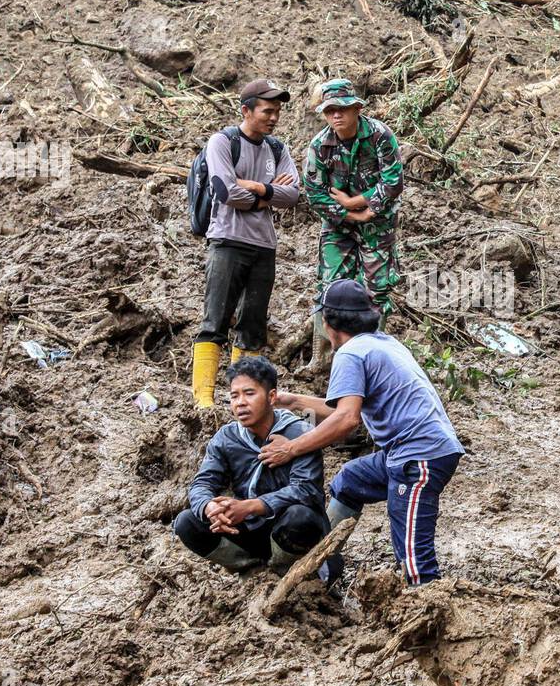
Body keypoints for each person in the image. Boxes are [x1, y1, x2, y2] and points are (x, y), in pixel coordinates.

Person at [259, 281, 463, 586]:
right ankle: (321, 561)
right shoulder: (381, 342)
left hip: (419, 457)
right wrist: (293, 400)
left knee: (414, 557)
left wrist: (291, 449)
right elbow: (345, 409)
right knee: (350, 481)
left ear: (327, 323)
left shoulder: (351, 354)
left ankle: (430, 609)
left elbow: (347, 420)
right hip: (410, 452)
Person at [191, 78, 301, 409]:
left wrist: (256, 187)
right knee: (216, 321)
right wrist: (269, 192)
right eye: (267, 111)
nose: (274, 118)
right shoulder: (222, 142)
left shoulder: (278, 149)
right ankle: (203, 401)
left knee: (253, 326)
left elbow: (293, 194)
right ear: (246, 110)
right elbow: (225, 192)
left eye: (277, 111)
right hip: (227, 241)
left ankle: (241, 400)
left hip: (264, 247)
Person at [175, 356, 329, 573]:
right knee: (187, 522)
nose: (240, 403)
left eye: (249, 394)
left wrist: (252, 506)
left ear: (272, 396)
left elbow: (307, 491)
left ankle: (284, 569)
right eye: (234, 396)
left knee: (300, 516)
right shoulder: (226, 437)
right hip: (249, 529)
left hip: (290, 529)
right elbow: (201, 484)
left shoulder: (299, 433)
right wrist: (211, 507)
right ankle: (252, 571)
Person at [300, 78, 404, 370]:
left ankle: (372, 355)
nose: (336, 115)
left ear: (357, 108)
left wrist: (355, 202)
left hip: (377, 222)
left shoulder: (380, 136)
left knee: (377, 288)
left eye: (342, 109)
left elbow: (393, 182)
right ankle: (320, 357)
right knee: (330, 286)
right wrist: (348, 213)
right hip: (338, 225)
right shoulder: (320, 146)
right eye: (329, 110)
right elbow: (315, 193)